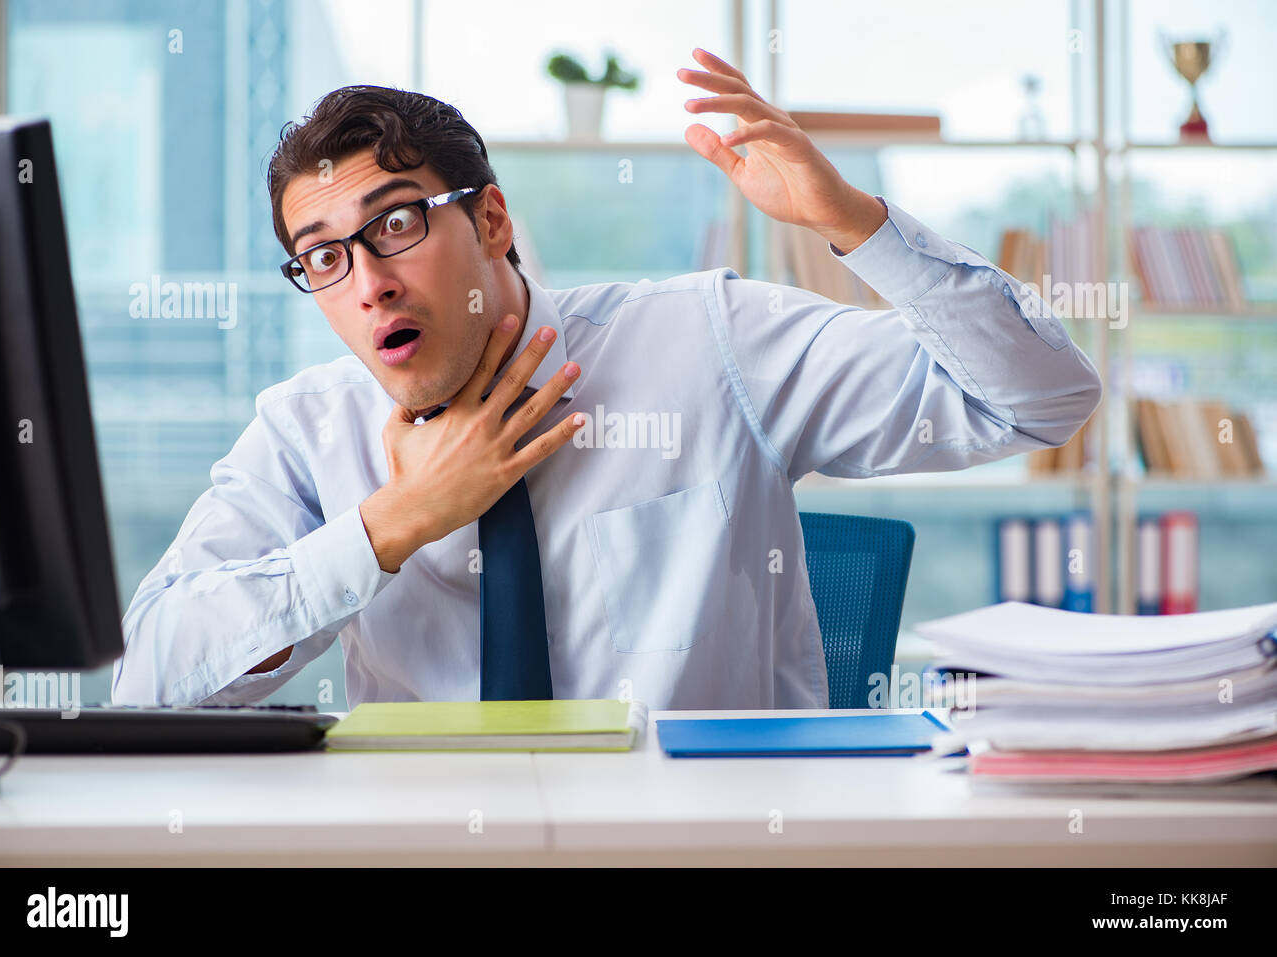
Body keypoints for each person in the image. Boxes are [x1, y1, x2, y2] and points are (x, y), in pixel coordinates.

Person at [112, 48, 1102, 709]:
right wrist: (394, 524)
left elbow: (1037, 397)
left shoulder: (710, 344)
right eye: (324, 257)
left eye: (397, 225)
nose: (367, 284)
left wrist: (851, 221)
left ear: (491, 221)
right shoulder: (306, 432)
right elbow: (149, 678)